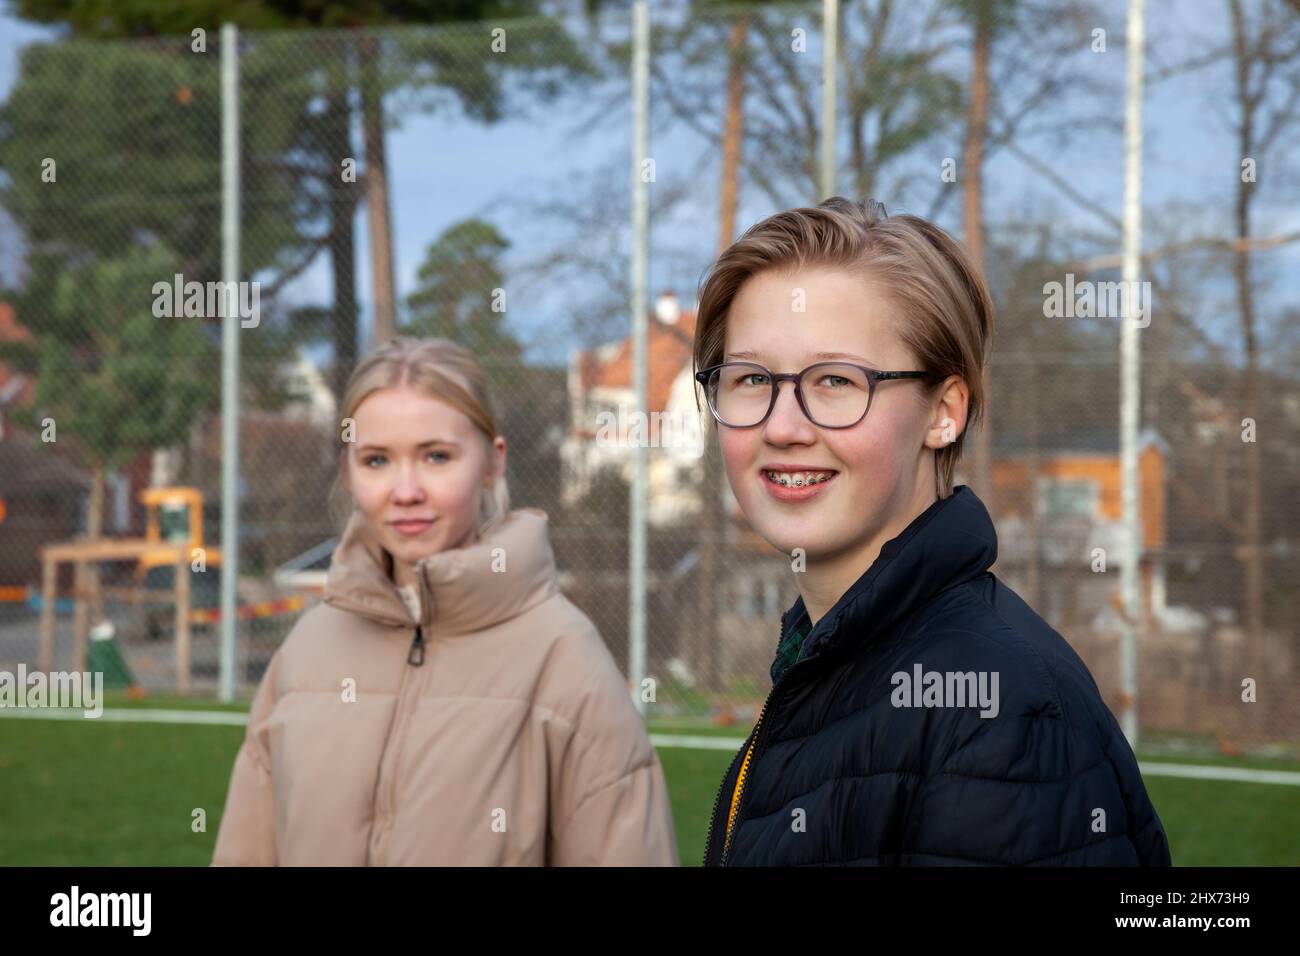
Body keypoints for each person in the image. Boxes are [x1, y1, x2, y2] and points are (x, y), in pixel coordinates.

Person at [694, 197, 1171, 866]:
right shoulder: (830, 661)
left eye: (836, 380)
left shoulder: (1002, 713)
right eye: (750, 379)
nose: (782, 426)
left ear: (944, 412)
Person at [213, 336, 678, 866]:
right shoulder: (305, 652)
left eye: (436, 456)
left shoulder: (565, 659)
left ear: (492, 462)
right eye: (377, 460)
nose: (406, 489)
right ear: (348, 470)